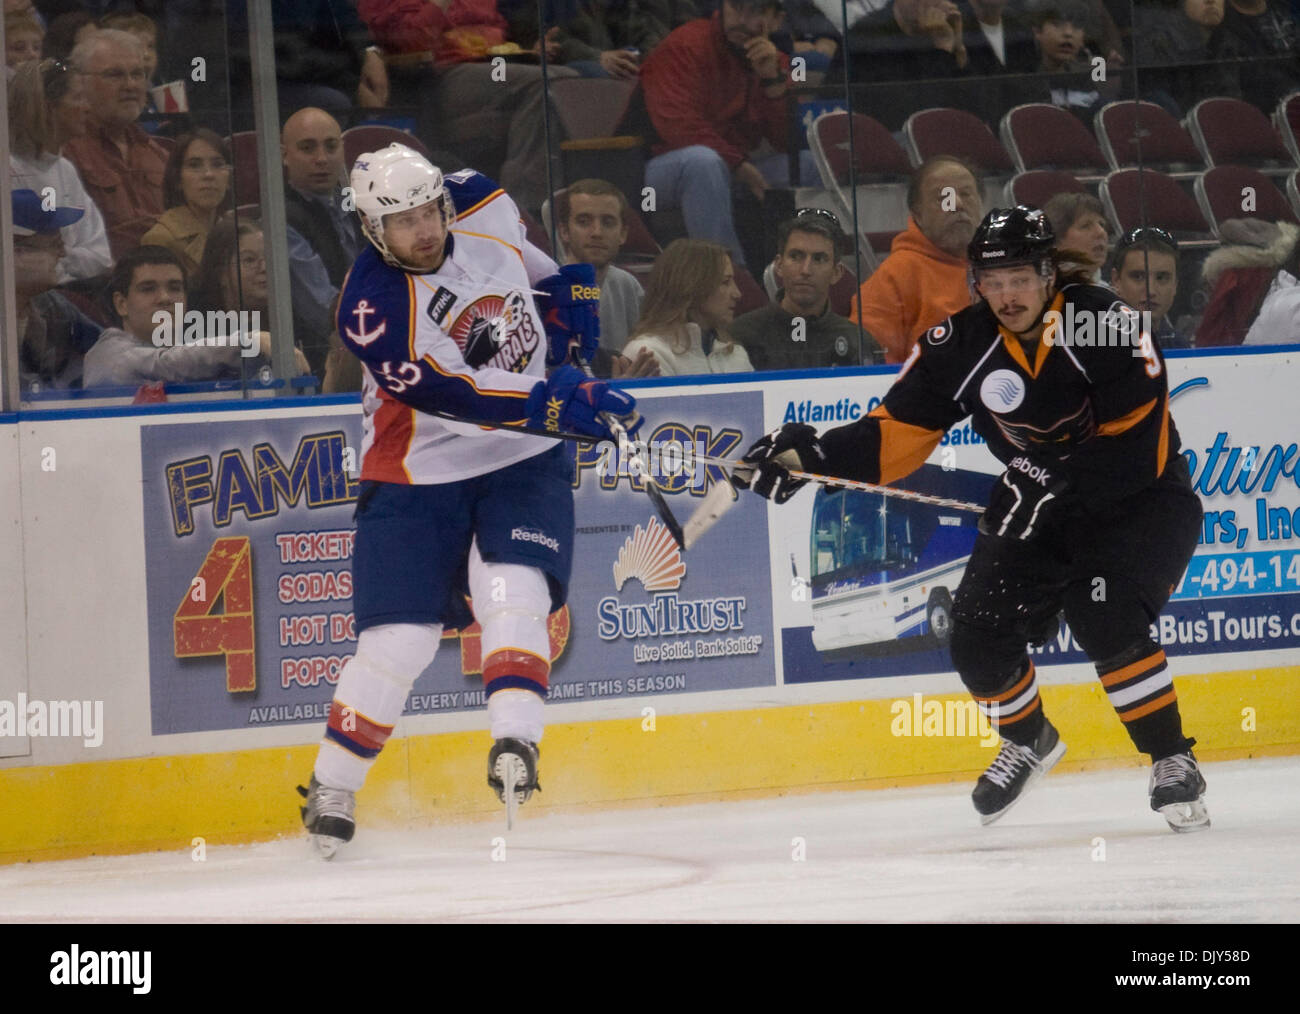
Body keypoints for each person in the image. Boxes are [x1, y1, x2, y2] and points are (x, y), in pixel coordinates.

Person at [737, 206, 1210, 832]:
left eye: (1020, 277)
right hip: (1039, 509)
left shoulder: (1104, 325)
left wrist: (1052, 479)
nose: (1007, 295)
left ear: (1048, 273)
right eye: (992, 280)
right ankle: (1029, 737)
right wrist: (811, 457)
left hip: (1139, 502)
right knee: (976, 633)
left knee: (1105, 612)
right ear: (975, 284)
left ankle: (1172, 760)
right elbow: (894, 436)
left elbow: (1138, 446)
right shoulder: (959, 345)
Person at [298, 143, 639, 856]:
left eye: (429, 212)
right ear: (370, 230)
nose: (423, 230)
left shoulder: (481, 198)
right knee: (401, 641)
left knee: (516, 592)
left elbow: (532, 263)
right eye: (402, 222)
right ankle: (333, 783)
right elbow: (454, 394)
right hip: (417, 469)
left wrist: (568, 299)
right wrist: (555, 402)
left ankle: (516, 742)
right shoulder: (371, 309)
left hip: (522, 462)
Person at [638, 0, 803, 267]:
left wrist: (772, 81)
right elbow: (677, 126)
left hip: (733, 168)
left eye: (756, 11)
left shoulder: (776, 61)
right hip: (652, 173)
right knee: (703, 162)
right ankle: (727, 277)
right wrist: (738, 165)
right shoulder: (686, 43)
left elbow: (787, 143)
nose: (741, 19)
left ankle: (828, 274)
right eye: (736, 7)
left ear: (777, 21)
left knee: (811, 166)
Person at [82, 245, 280, 387]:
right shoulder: (108, 354)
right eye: (148, 289)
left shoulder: (188, 350)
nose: (165, 298)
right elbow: (168, 364)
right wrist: (249, 341)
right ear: (121, 304)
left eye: (175, 288)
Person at [851, 155, 982, 363]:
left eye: (966, 194)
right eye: (943, 198)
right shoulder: (894, 278)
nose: (956, 204)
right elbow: (871, 371)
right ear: (917, 214)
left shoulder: (1004, 268)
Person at [62, 29, 168, 257]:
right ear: (79, 81)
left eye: (138, 74)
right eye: (115, 75)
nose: (130, 85)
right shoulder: (64, 152)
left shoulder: (158, 153)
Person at [7, 57, 112, 282]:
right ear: (47, 106)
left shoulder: (65, 169)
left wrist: (58, 260)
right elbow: (22, 264)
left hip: (75, 292)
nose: (87, 107)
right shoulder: (9, 169)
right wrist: (62, 261)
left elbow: (100, 256)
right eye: (78, 98)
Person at [731, 210, 880, 368]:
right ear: (779, 266)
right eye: (796, 256)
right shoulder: (741, 337)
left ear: (836, 273)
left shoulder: (859, 343)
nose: (805, 270)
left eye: (819, 259)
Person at [279, 107, 365, 374]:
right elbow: (324, 311)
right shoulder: (280, 217)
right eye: (307, 148)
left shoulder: (361, 204)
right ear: (284, 155)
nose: (322, 158)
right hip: (319, 362)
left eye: (331, 146)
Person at [554, 178, 657, 378]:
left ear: (623, 234)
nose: (597, 232)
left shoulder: (628, 286)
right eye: (584, 222)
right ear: (564, 231)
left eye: (608, 222)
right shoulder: (545, 290)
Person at [11, 188, 102, 390]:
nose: (62, 253)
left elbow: (107, 346)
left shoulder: (52, 304)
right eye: (54, 245)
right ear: (17, 253)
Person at [622, 238, 754, 375]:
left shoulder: (735, 354)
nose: (737, 294)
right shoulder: (648, 354)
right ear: (692, 285)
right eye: (725, 282)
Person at [140, 129, 233, 275]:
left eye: (217, 164)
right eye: (195, 165)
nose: (208, 174)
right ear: (177, 179)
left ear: (229, 178)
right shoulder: (160, 239)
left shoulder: (234, 231)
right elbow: (168, 298)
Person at [1109, 226, 1191, 348]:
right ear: (1116, 280)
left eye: (1161, 278)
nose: (1150, 290)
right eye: (1138, 277)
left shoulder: (1178, 344)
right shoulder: (1092, 344)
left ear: (1175, 285)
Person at [1043, 191, 1111, 282]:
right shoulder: (1042, 292)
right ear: (1057, 239)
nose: (1101, 232)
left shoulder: (1108, 291)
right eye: (1085, 226)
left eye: (1102, 224)